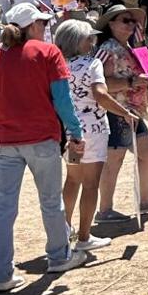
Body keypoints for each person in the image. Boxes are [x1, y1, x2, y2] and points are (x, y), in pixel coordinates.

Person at [0, 4, 88, 289]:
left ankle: (1, 274)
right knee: (51, 202)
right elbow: (62, 99)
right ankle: (59, 256)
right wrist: (76, 132)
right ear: (33, 26)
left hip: (4, 141)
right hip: (41, 138)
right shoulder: (48, 53)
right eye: (42, 23)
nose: (45, 27)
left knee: (2, 208)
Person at [55, 18, 134, 253]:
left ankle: (63, 230)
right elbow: (100, 94)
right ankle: (84, 236)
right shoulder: (92, 64)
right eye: (89, 37)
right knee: (90, 185)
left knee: (72, 180)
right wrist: (125, 112)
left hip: (69, 131)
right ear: (80, 41)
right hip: (94, 130)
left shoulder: (60, 65)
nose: (92, 41)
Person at [94, 1, 148, 223]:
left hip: (130, 110)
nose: (131, 24)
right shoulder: (107, 50)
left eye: (133, 20)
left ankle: (146, 199)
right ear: (111, 23)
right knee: (115, 160)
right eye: (125, 20)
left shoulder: (128, 47)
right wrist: (131, 81)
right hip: (115, 110)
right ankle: (104, 210)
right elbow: (99, 84)